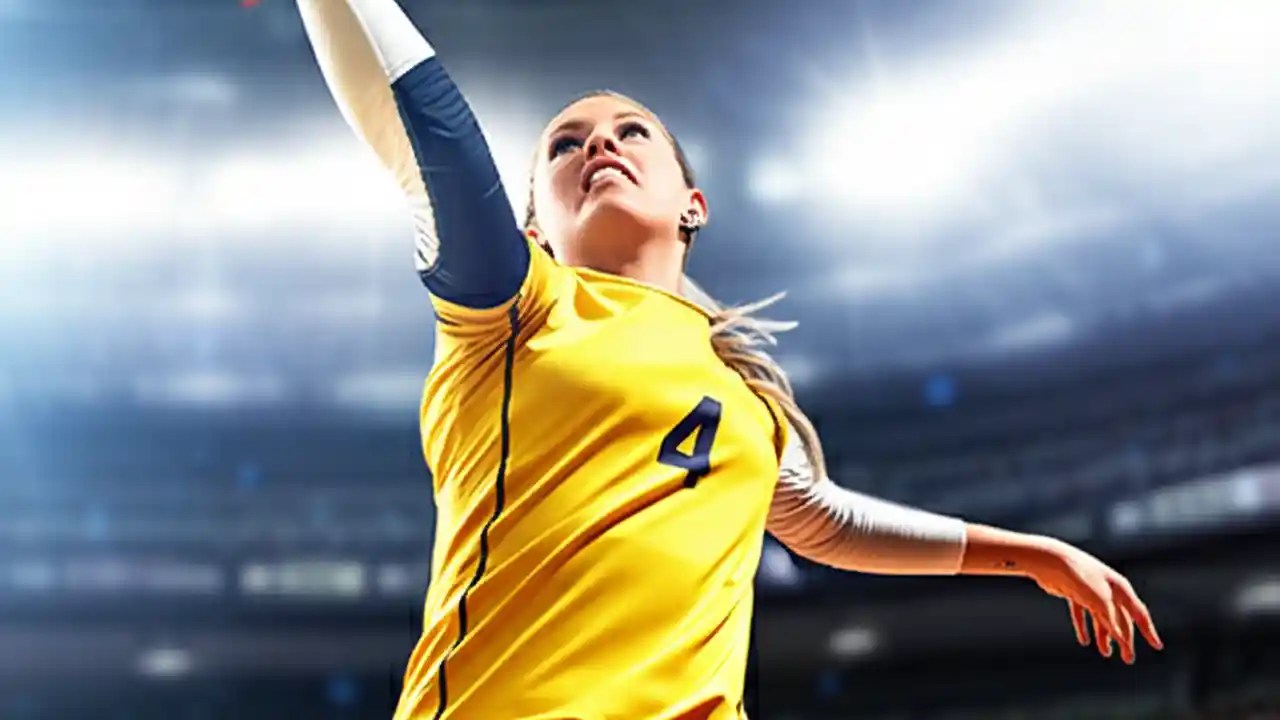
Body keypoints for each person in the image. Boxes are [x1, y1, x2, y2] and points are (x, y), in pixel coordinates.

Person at [296, 1, 1163, 718]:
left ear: (692, 204)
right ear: (532, 230)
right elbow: (434, 142)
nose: (600, 144)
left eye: (632, 132)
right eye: (565, 145)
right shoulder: (517, 311)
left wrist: (1032, 554)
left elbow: (823, 521)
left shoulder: (744, 396)